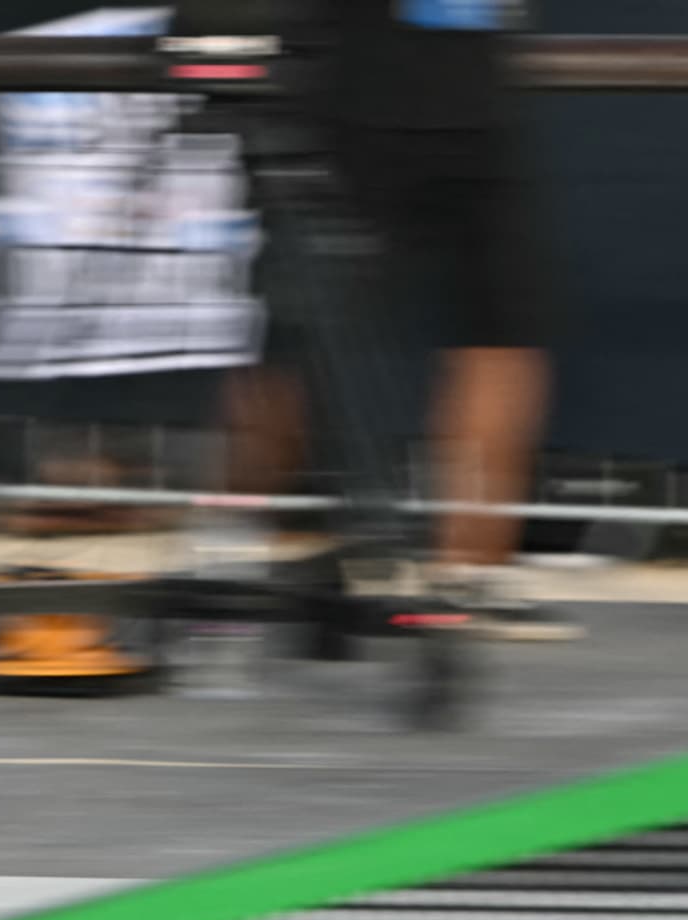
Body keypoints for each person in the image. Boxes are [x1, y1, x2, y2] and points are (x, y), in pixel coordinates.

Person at [176, 0, 577, 639]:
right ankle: (226, 542)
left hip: (480, 104)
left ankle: (470, 576)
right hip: (350, 98)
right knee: (299, 341)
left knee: (508, 331)